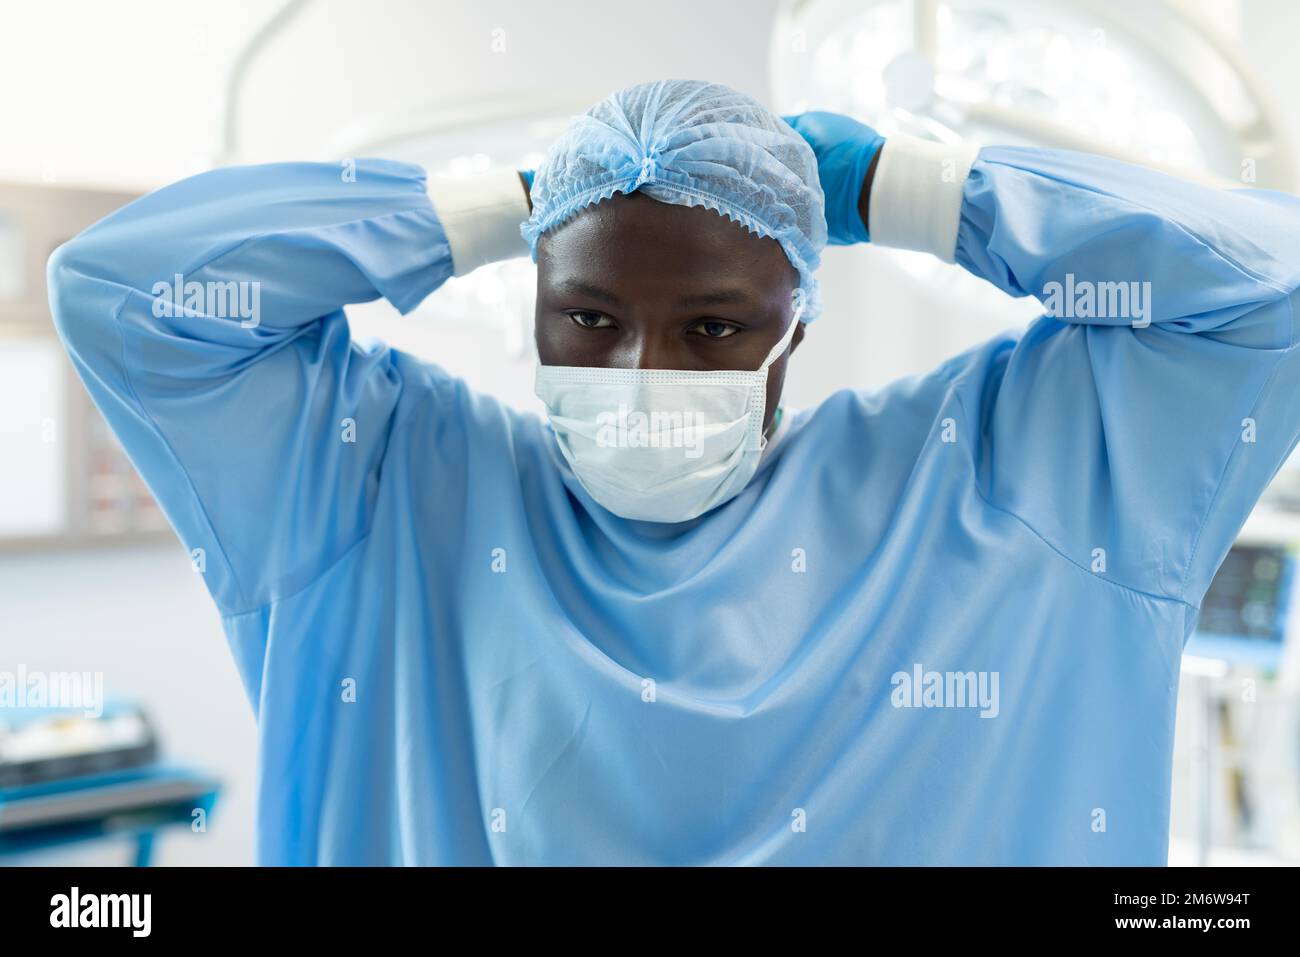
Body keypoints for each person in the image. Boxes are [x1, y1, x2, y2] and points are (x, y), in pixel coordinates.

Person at [47, 78, 1300, 865]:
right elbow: (121, 295)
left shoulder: (1000, 485)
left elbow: (1273, 289)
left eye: (714, 328)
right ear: (525, 305)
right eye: (588, 317)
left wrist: (911, 189)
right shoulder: (379, 491)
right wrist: (515, 200)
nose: (643, 373)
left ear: (796, 329)